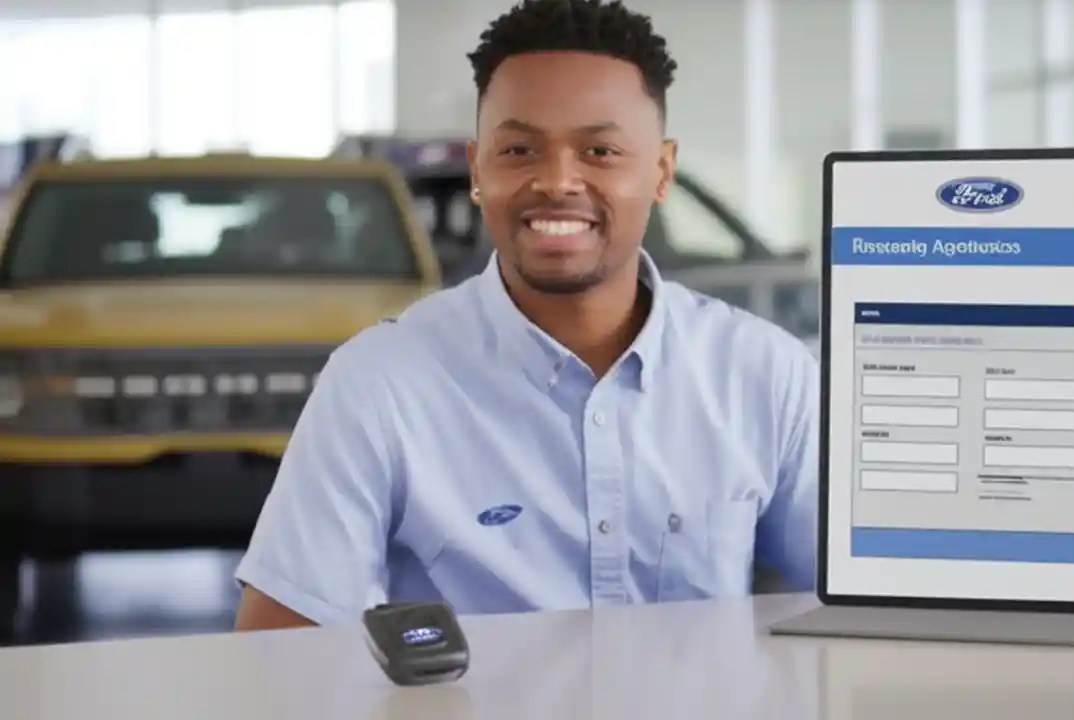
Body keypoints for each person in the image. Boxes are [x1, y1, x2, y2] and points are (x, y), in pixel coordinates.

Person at [234, 0, 818, 630]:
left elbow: (869, 606)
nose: (557, 181)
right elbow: (278, 648)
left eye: (599, 150)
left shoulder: (765, 372)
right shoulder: (378, 384)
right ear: (478, 169)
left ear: (662, 169)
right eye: (518, 150)